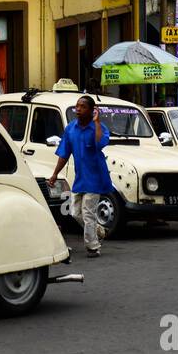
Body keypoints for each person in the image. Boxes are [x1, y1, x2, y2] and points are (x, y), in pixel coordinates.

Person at [47, 95, 113, 256]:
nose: (78, 109)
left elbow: (99, 143)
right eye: (77, 106)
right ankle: (99, 231)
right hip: (80, 178)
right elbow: (64, 154)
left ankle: (93, 247)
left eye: (83, 107)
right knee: (76, 213)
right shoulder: (70, 129)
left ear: (92, 111)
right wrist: (55, 174)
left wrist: (96, 122)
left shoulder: (99, 127)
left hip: (95, 177)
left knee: (88, 212)